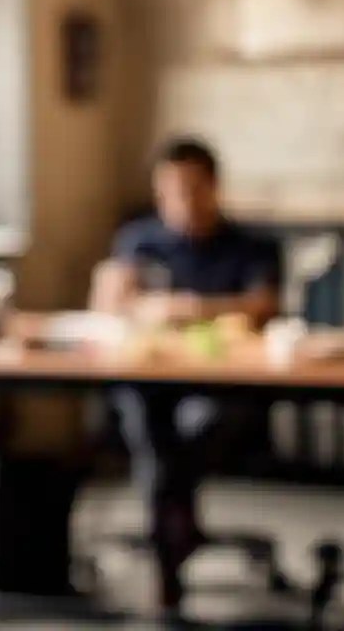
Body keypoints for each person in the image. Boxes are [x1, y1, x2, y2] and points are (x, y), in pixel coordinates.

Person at [90, 137, 282, 606]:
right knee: (143, 418)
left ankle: (167, 549)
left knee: (188, 433)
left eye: (193, 189)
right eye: (170, 192)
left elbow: (263, 306)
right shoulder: (139, 239)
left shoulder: (249, 246)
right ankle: (174, 542)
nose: (183, 202)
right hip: (149, 378)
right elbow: (108, 304)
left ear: (214, 188)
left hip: (222, 384)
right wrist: (133, 300)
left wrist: (193, 309)